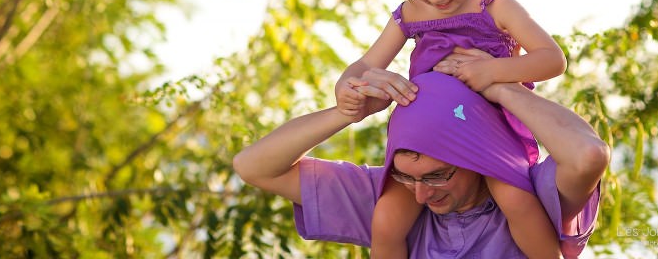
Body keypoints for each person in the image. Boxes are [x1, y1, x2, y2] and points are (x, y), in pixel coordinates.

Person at [334, 0, 567, 258]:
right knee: (386, 220)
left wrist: (491, 72)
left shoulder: (494, 5)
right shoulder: (411, 14)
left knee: (518, 203)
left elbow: (552, 59)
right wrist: (349, 86)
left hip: (488, 130)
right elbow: (365, 63)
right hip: (426, 136)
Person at [233, 68, 609, 258]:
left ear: (476, 157)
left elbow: (588, 155)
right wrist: (347, 113)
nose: (423, 192)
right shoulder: (392, 197)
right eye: (407, 176)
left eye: (437, 175)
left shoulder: (532, 191)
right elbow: (254, 167)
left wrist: (501, 88)